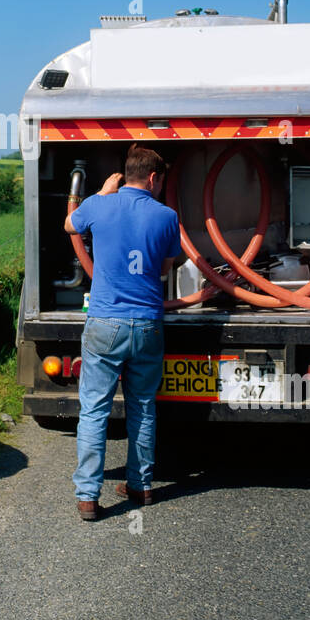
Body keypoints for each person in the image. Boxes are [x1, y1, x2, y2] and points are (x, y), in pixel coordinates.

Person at [64, 144, 182, 520]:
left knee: (95, 410)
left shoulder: (100, 205)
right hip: (147, 323)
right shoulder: (166, 216)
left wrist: (101, 192)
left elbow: (70, 225)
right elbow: (165, 268)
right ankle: (140, 486)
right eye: (160, 180)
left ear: (124, 174)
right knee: (143, 408)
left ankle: (87, 497)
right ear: (153, 178)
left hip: (104, 324)